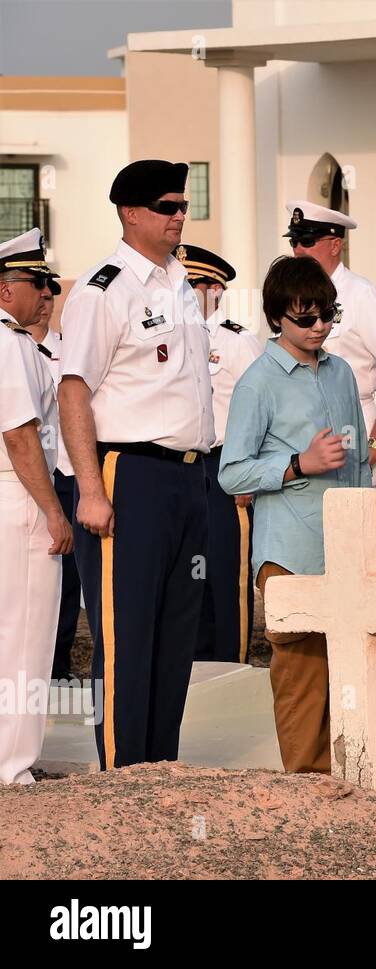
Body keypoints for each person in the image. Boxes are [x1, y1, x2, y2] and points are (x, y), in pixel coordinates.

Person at [59, 160, 215, 771]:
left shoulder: (179, 282)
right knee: (127, 634)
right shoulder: (107, 289)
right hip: (133, 475)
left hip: (188, 474)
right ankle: (123, 778)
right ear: (130, 213)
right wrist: (90, 491)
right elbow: (74, 390)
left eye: (182, 206)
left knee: (177, 632)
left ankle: (161, 772)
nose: (179, 216)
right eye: (167, 207)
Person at [219, 256, 370, 774]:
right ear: (277, 317)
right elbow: (230, 473)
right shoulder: (258, 383)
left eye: (328, 314)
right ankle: (307, 802)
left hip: (346, 550)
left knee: (348, 675)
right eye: (306, 318)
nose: (320, 327)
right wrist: (296, 464)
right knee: (302, 678)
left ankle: (350, 795)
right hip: (289, 552)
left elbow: (360, 460)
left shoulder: (343, 372)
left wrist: (367, 535)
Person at [0, 228, 71, 784]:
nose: (47, 293)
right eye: (37, 283)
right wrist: (52, 510)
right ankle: (13, 765)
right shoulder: (9, 343)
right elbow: (21, 437)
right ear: (6, 292)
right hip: (20, 494)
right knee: (26, 636)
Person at [176, 244, 263, 664]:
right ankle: (196, 663)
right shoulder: (174, 335)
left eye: (191, 284)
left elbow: (263, 410)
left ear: (214, 289)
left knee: (228, 575)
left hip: (228, 466)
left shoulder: (237, 341)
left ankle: (233, 661)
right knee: (192, 573)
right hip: (186, 466)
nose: (184, 290)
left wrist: (250, 475)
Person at [284, 201, 376, 476]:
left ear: (335, 245)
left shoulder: (359, 294)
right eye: (295, 241)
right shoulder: (292, 296)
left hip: (353, 427)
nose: (299, 250)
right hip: (303, 435)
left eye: (308, 240)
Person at [28, 275, 80, 682]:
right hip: (23, 477)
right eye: (39, 293)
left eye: (50, 295)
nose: (45, 302)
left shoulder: (70, 350)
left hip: (66, 473)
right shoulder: (9, 347)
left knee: (67, 577)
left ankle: (58, 663)